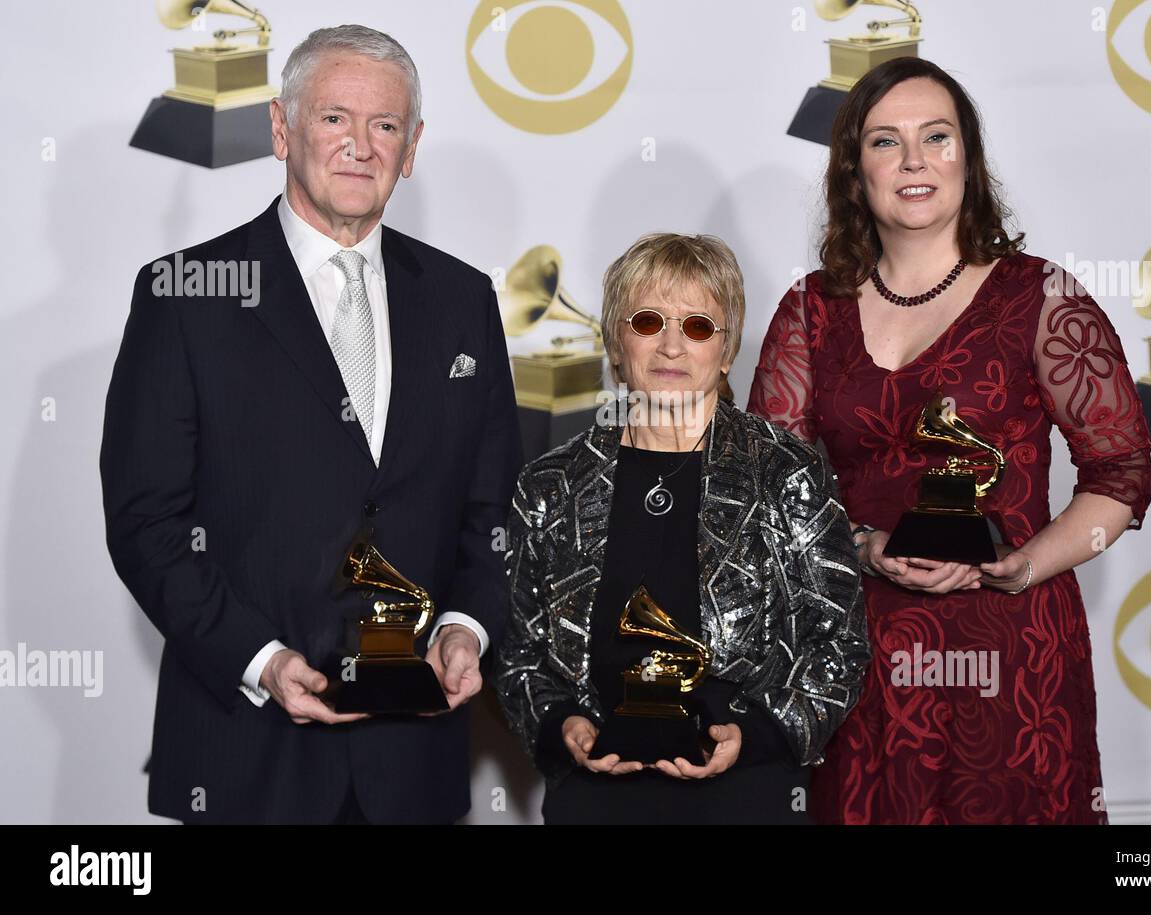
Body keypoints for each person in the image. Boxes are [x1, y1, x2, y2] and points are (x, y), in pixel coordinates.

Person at [100, 25, 521, 824]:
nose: (360, 146)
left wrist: (467, 625)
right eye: (334, 118)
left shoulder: (465, 301)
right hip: (245, 758)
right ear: (281, 128)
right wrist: (261, 660)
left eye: (385, 126)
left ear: (413, 145)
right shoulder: (185, 294)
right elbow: (146, 521)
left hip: (414, 768)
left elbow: (492, 510)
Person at [748, 57, 1151, 824]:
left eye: (936, 137)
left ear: (968, 155)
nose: (913, 161)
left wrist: (1022, 563)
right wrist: (866, 546)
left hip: (1011, 653)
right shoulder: (809, 311)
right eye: (884, 142)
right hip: (858, 657)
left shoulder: (1043, 298)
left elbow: (1121, 475)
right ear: (853, 170)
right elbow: (775, 495)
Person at [494, 233, 871, 824]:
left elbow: (839, 645)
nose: (672, 344)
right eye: (648, 321)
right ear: (616, 341)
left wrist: (755, 736)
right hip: (596, 796)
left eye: (697, 326)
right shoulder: (551, 483)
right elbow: (518, 652)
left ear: (725, 353)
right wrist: (558, 724)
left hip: (747, 792)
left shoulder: (784, 471)